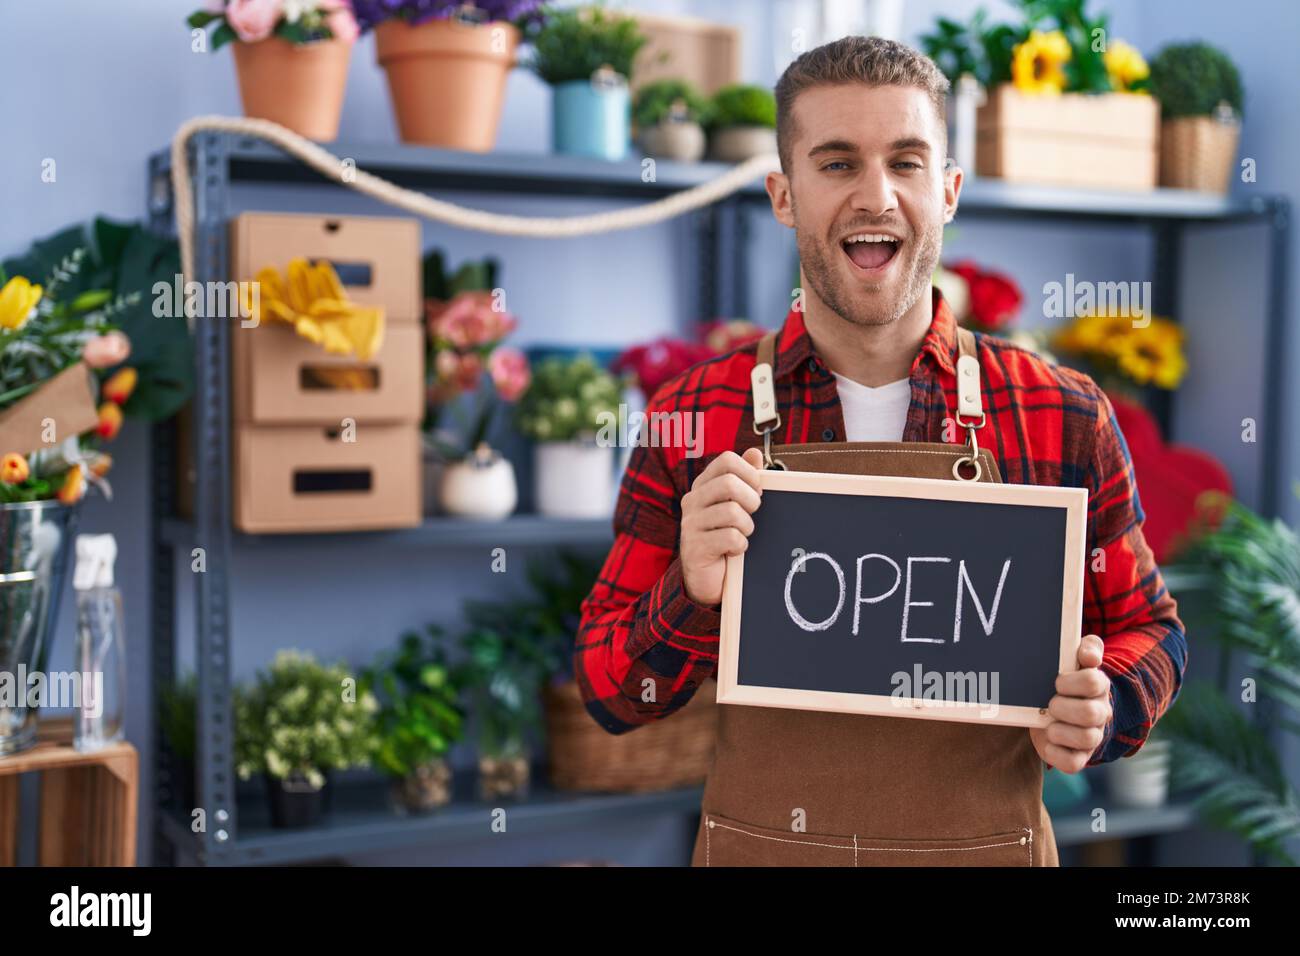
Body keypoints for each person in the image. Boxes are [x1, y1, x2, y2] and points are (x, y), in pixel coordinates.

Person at [576, 35, 1186, 866]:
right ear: (783, 195)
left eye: (906, 161)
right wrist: (690, 591)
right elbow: (612, 694)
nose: (876, 197)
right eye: (836, 164)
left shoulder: (1062, 413)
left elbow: (1152, 627)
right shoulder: (693, 412)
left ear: (949, 190)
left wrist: (1106, 702)